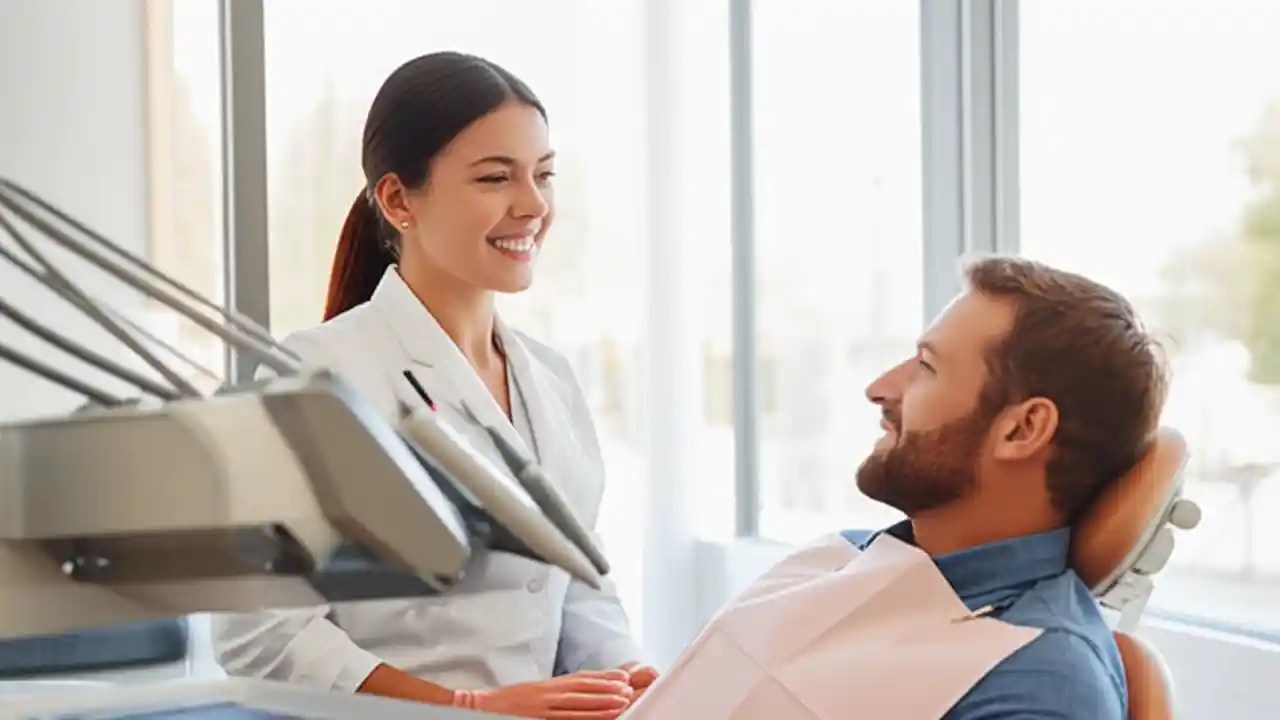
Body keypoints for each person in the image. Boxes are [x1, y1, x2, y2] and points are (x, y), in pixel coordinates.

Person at [212, 52, 655, 719]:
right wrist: (465, 707)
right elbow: (261, 634)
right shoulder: (313, 377)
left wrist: (628, 678)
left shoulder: (552, 380)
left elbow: (578, 591)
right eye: (495, 177)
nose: (532, 204)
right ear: (397, 200)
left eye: (543, 174)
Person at [630, 256, 1166, 719]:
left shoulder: (1041, 676)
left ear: (1022, 430)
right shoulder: (841, 558)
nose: (881, 388)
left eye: (926, 368)